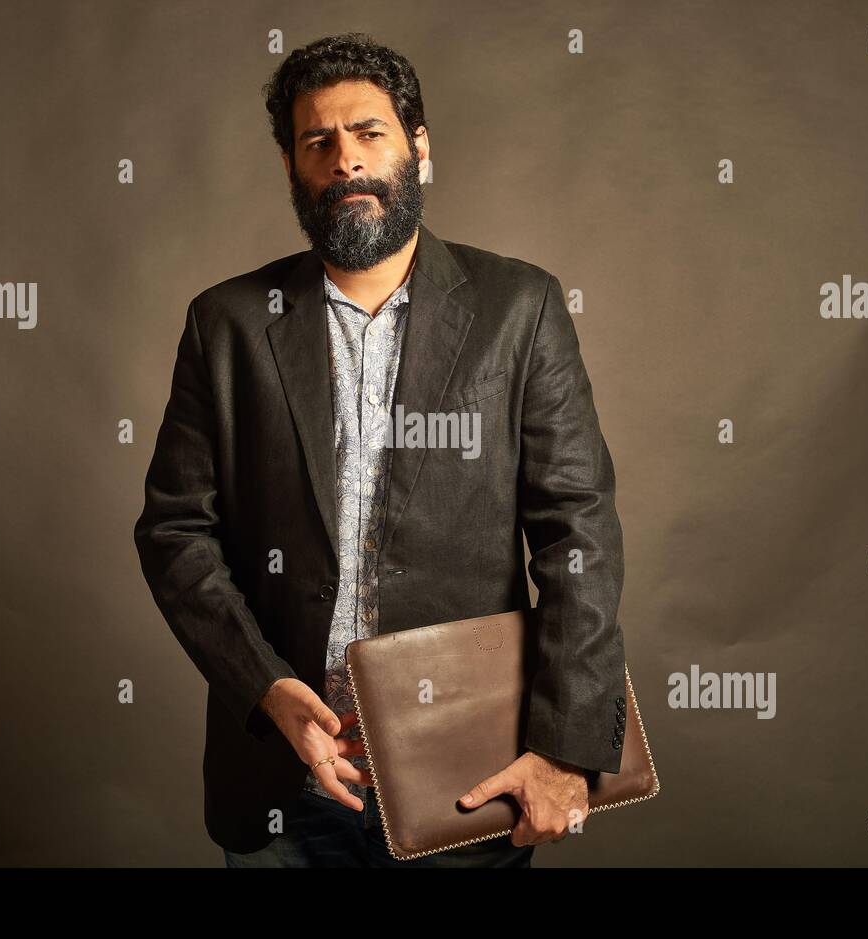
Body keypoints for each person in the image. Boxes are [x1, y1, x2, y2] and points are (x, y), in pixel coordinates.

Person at [133, 32, 626, 868]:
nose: (345, 161)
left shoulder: (521, 308)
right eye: (317, 142)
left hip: (469, 773)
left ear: (418, 148)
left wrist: (566, 747)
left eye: (369, 133)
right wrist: (266, 688)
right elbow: (176, 532)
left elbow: (578, 535)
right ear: (291, 167)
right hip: (284, 780)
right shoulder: (227, 324)